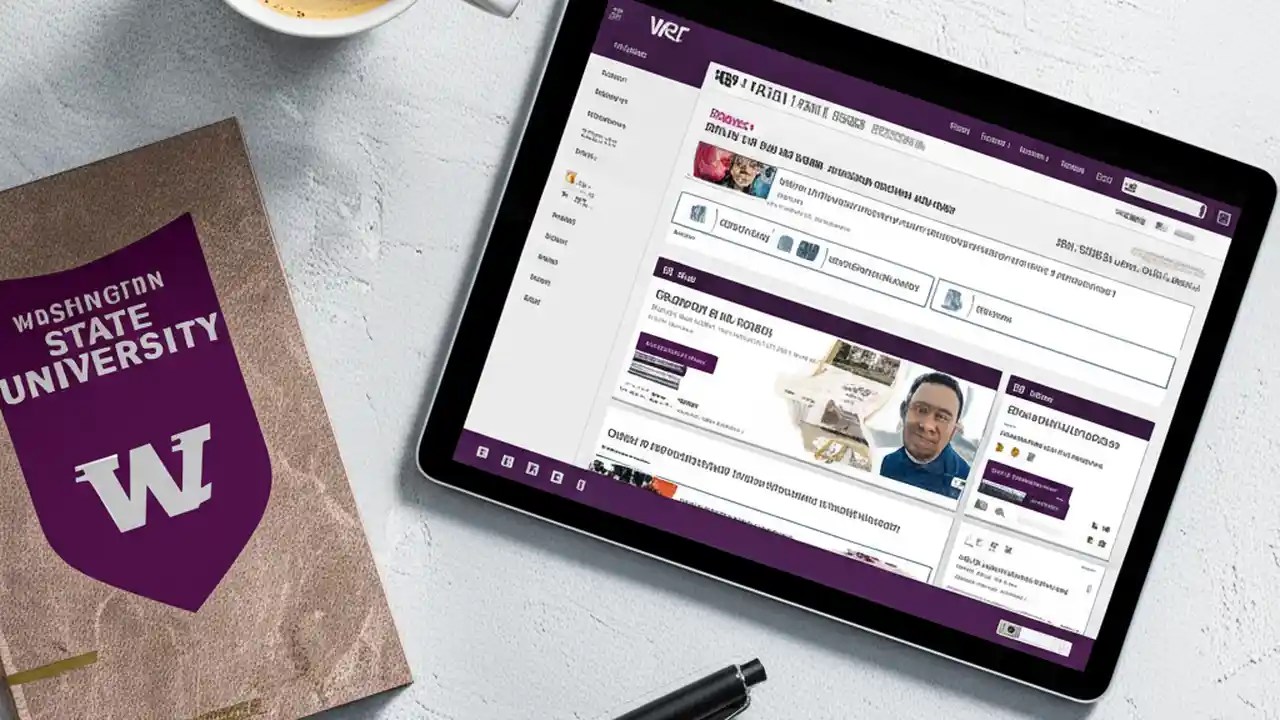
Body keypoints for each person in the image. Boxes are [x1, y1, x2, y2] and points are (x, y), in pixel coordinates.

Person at [879, 372, 971, 499]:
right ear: (903, 412)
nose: (927, 425)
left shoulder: (967, 480)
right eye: (921, 410)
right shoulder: (889, 462)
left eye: (942, 417)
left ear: (954, 430)